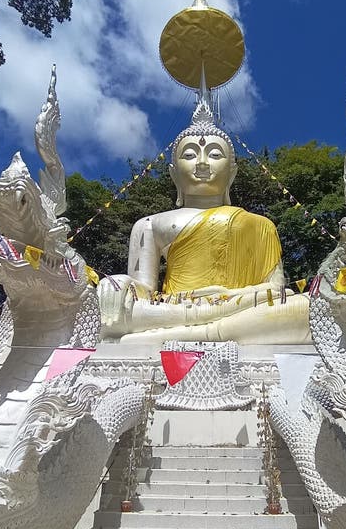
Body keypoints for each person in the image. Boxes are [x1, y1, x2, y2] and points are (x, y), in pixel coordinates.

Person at [97, 95, 309, 343]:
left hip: (241, 305)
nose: (202, 164)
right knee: (108, 309)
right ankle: (213, 330)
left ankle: (195, 334)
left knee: (302, 307)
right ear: (174, 174)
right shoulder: (149, 224)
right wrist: (119, 283)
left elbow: (275, 291)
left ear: (232, 174)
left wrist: (230, 299)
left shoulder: (260, 224)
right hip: (173, 308)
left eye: (215, 155)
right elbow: (144, 290)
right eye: (189, 155)